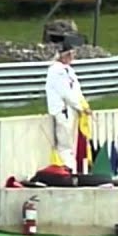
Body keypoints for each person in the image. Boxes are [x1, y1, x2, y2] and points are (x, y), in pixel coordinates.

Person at [44, 40, 91, 172]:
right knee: (65, 141)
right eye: (71, 54)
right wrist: (80, 106)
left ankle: (72, 167)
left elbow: (76, 90)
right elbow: (65, 92)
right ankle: (66, 167)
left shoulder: (69, 70)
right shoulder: (55, 70)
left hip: (72, 110)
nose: (73, 57)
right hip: (62, 109)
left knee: (71, 141)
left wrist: (84, 104)